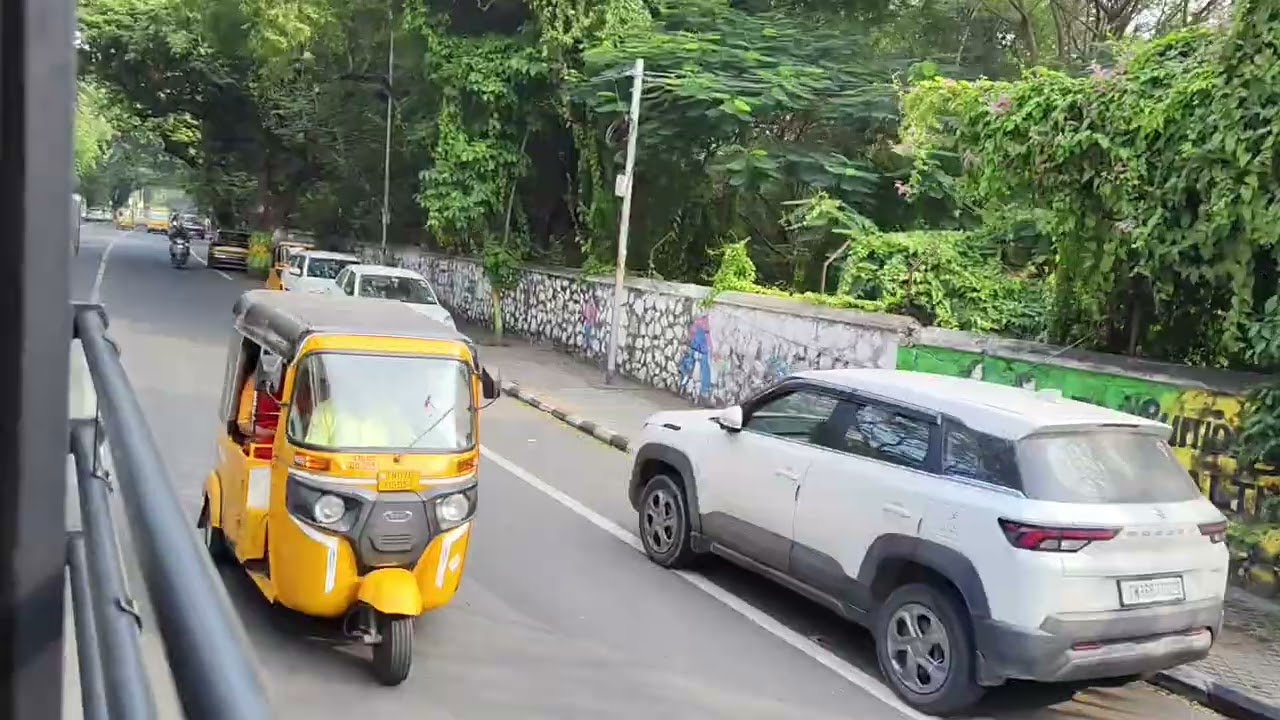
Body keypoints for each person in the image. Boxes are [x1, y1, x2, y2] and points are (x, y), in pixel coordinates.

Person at [237, 355, 280, 443]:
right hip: (262, 445)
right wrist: (273, 434)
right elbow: (244, 424)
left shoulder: (298, 380)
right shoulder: (255, 383)